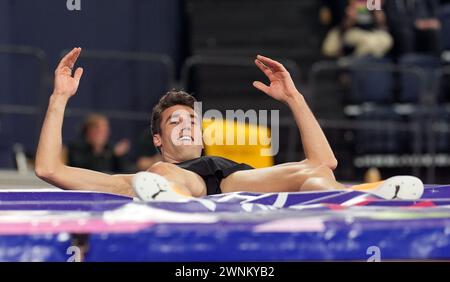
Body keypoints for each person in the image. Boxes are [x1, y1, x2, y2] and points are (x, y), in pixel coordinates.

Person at [35, 48, 423, 201]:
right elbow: (48, 169)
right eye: (175, 121)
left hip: (231, 183)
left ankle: (365, 196)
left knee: (318, 174)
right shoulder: (148, 175)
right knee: (158, 176)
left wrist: (294, 98)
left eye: (192, 119)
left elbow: (325, 160)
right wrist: (59, 98)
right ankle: (174, 204)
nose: (187, 125)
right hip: (170, 185)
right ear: (157, 136)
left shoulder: (225, 169)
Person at [322, 0, 392, 58]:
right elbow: (340, 25)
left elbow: (380, 24)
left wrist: (378, 13)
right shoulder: (346, 3)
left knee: (385, 40)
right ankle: (349, 65)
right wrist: (350, 19)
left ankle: (352, 64)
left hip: (369, 32)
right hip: (350, 31)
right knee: (369, 42)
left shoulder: (373, 2)